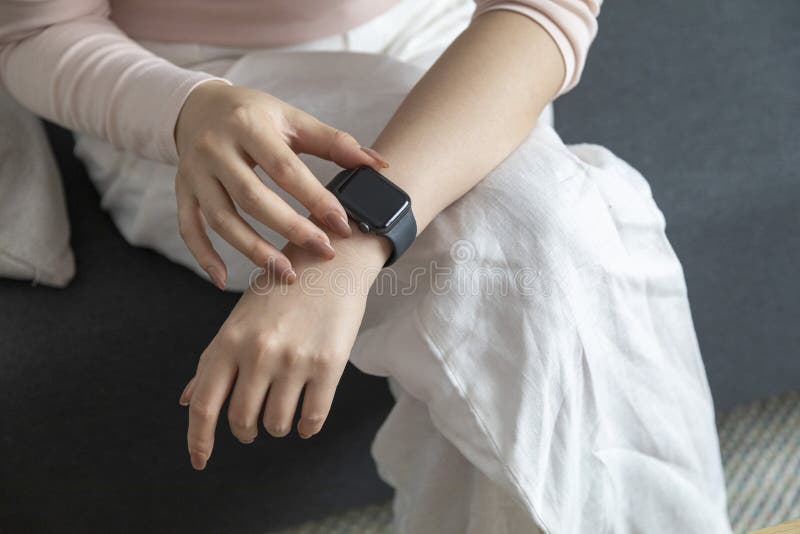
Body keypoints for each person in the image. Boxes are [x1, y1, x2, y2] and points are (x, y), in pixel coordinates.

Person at [0, 0, 733, 531]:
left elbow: (543, 8)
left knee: (539, 232)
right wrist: (188, 109)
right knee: (542, 241)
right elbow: (36, 29)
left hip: (452, 47)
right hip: (197, 96)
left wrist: (348, 248)